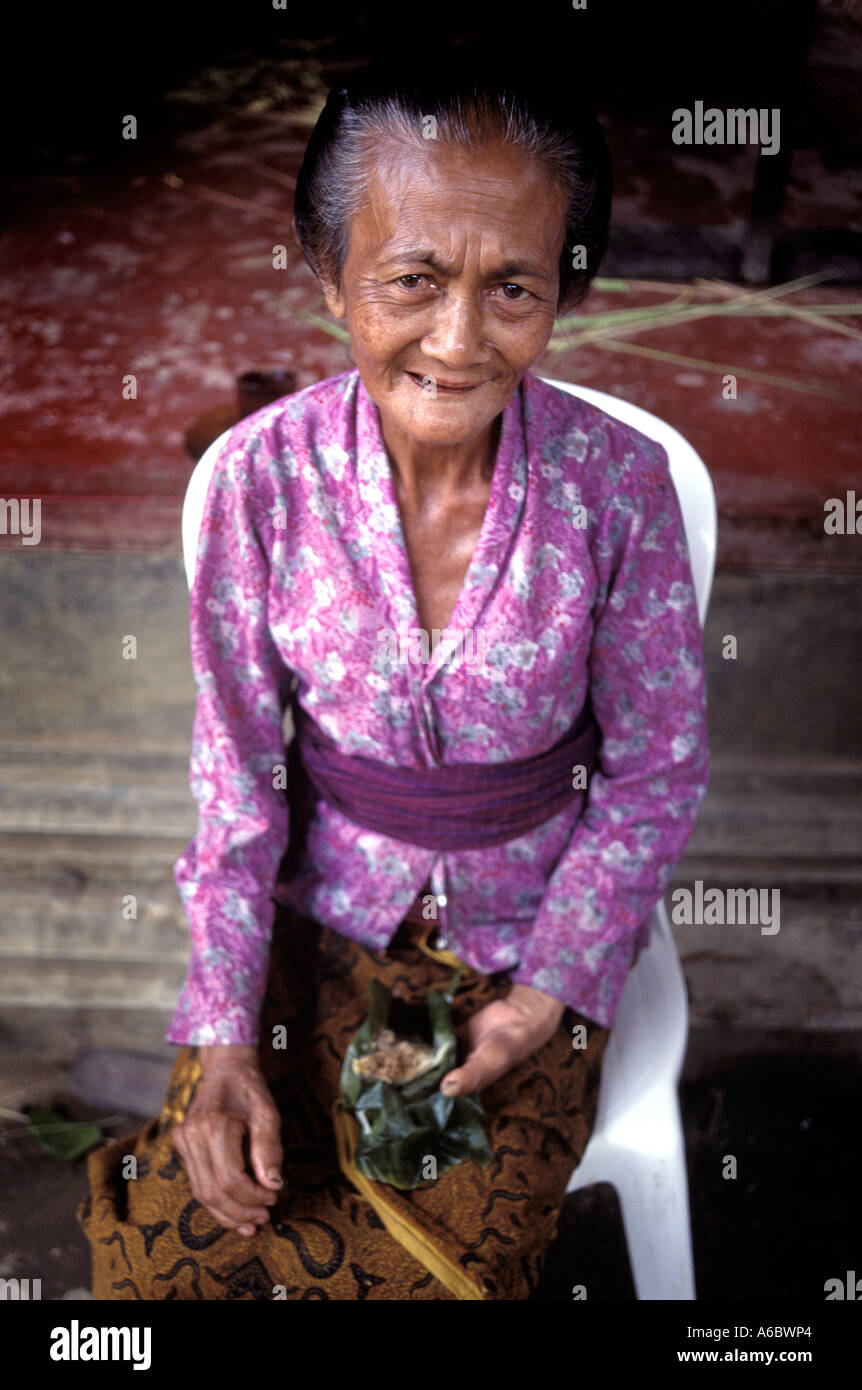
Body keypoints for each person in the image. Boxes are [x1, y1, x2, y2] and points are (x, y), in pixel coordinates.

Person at [79, 39, 709, 1300]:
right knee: (181, 1250)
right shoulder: (260, 484)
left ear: (562, 289)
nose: (460, 339)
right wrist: (221, 1038)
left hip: (531, 941)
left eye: (515, 290)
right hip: (314, 932)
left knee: (423, 1276)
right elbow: (240, 789)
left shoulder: (613, 490)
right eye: (413, 279)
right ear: (329, 273)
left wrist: (544, 1001)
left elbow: (653, 773)